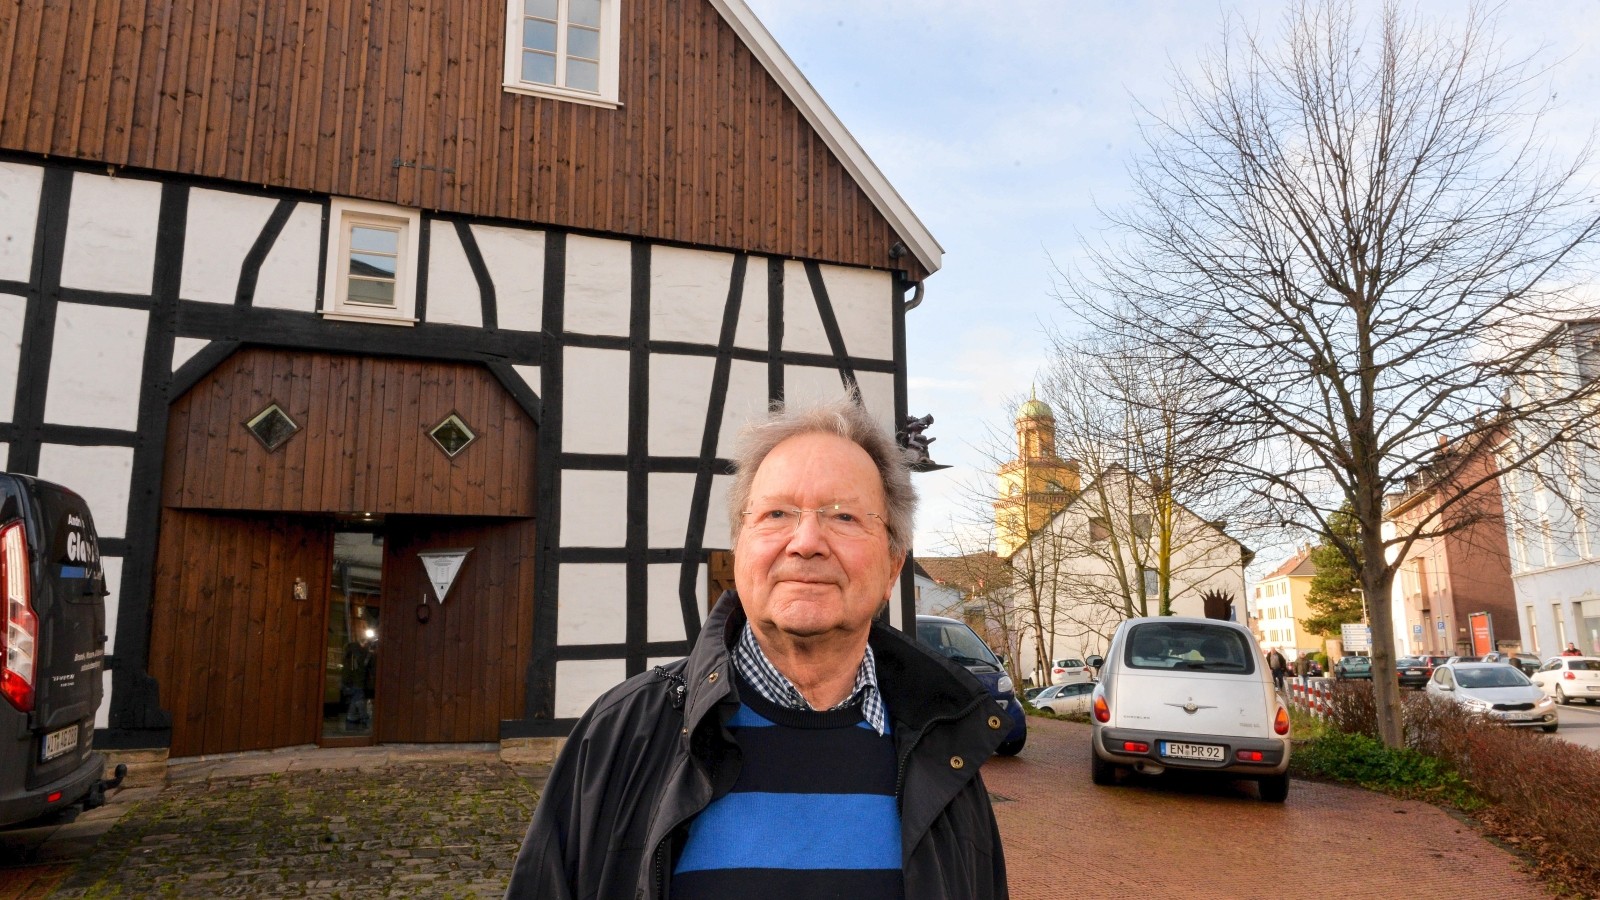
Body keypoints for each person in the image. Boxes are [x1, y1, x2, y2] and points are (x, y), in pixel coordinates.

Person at [506, 394, 1008, 899]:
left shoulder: (946, 756)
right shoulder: (620, 735)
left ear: (893, 566)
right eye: (776, 514)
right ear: (741, 547)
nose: (806, 541)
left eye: (845, 517)